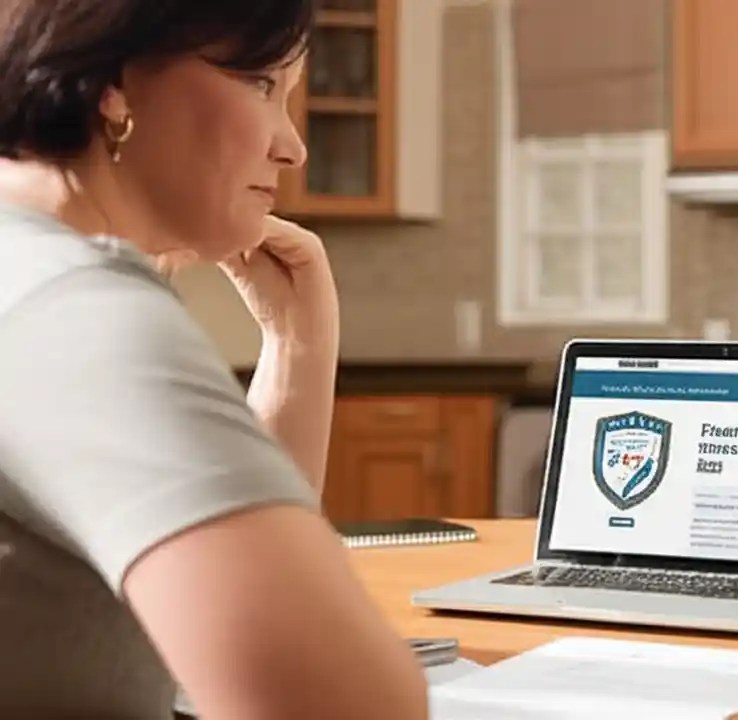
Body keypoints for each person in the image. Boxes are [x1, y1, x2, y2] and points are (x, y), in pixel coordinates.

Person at [0, 1, 429, 718]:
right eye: (261, 83)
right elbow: (344, 702)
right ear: (115, 83)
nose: (293, 147)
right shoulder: (74, 312)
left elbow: (240, 591)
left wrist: (297, 344)